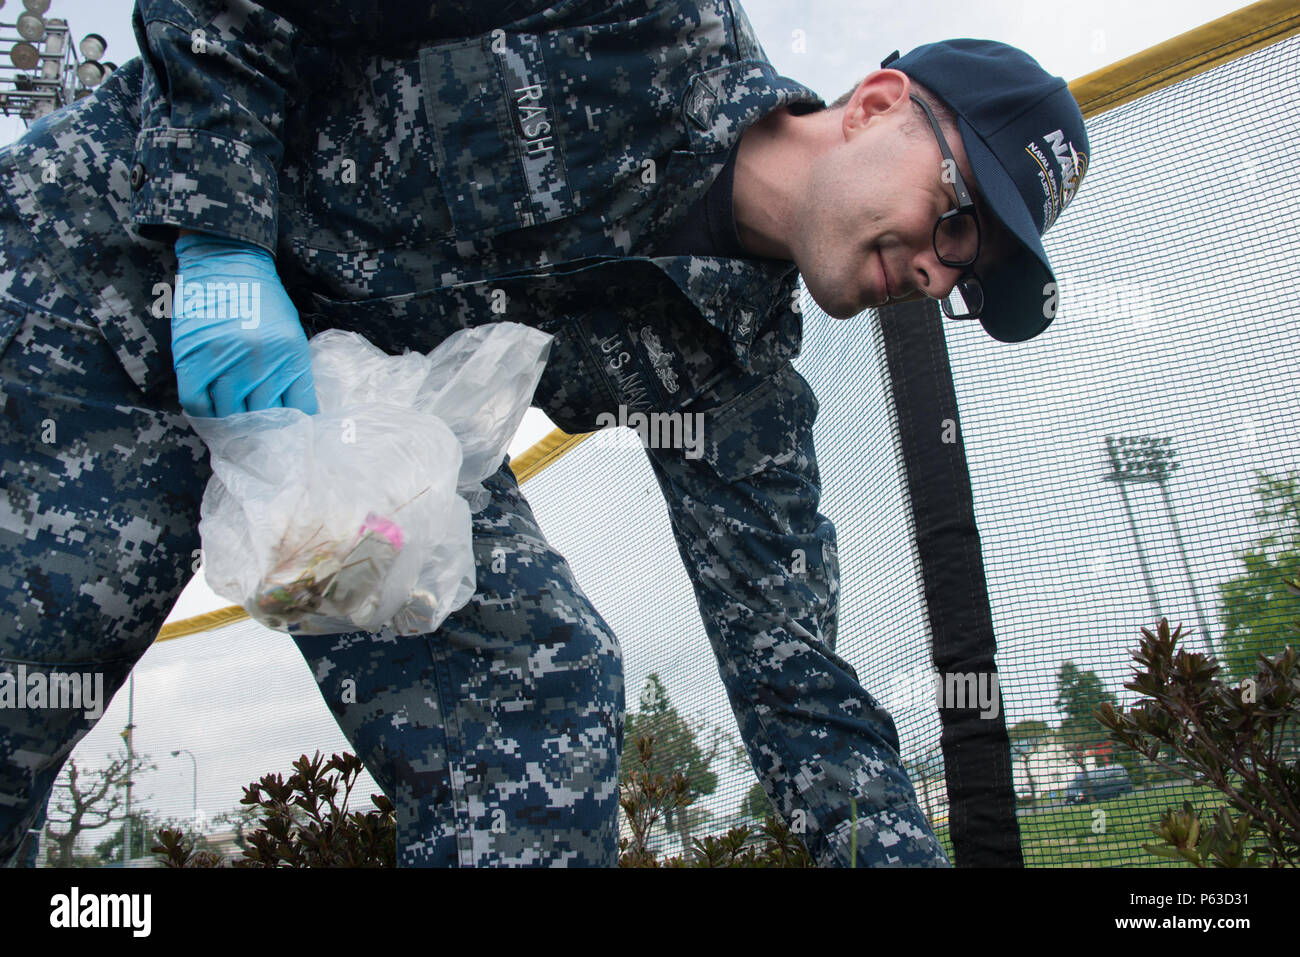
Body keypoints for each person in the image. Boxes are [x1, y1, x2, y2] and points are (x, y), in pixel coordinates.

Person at [0, 0, 1090, 867]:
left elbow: (797, 684)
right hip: (108, 273)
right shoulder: (640, 24)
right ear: (877, 103)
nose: (938, 268)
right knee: (24, 682)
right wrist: (220, 240)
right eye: (956, 216)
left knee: (539, 696)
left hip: (359, 437)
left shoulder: (737, 381)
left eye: (969, 276)